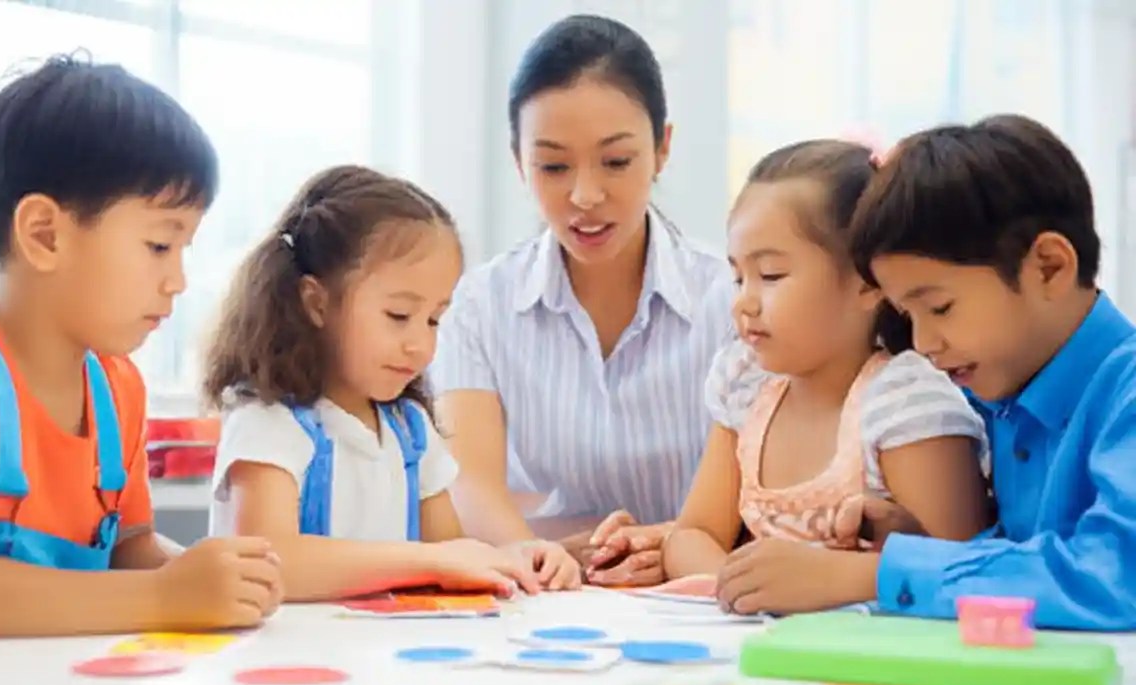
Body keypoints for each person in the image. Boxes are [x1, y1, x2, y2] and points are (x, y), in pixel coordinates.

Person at [0, 56, 283, 649]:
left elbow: (130, 549)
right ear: (44, 235)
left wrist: (214, 577)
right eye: (159, 244)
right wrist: (166, 597)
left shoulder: (118, 387)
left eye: (184, 248)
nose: (179, 280)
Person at [767, 113, 1135, 631]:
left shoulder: (1125, 393)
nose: (923, 343)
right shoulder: (1000, 389)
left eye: (938, 307)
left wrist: (873, 575)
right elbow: (1027, 554)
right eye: (907, 316)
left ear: (1050, 265)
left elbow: (1112, 576)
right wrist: (914, 537)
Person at [431, 14, 735, 588]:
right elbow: (470, 484)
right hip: (538, 593)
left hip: (694, 593)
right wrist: (534, 555)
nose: (585, 195)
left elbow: (769, 486)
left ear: (662, 148)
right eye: (553, 166)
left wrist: (671, 541)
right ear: (519, 161)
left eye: (616, 161)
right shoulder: (480, 305)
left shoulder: (730, 300)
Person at [663, 140, 989, 611]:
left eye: (771, 275)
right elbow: (692, 532)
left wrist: (832, 582)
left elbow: (961, 570)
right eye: (739, 277)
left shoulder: (904, 402)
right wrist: (741, 587)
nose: (744, 302)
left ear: (867, 284)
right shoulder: (745, 384)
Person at [203, 165, 549, 601]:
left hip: (383, 662)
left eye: (434, 320)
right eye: (399, 316)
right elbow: (269, 565)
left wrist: (518, 557)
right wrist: (428, 561)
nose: (421, 345)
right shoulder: (268, 422)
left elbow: (453, 554)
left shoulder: (411, 433)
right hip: (286, 662)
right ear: (316, 302)